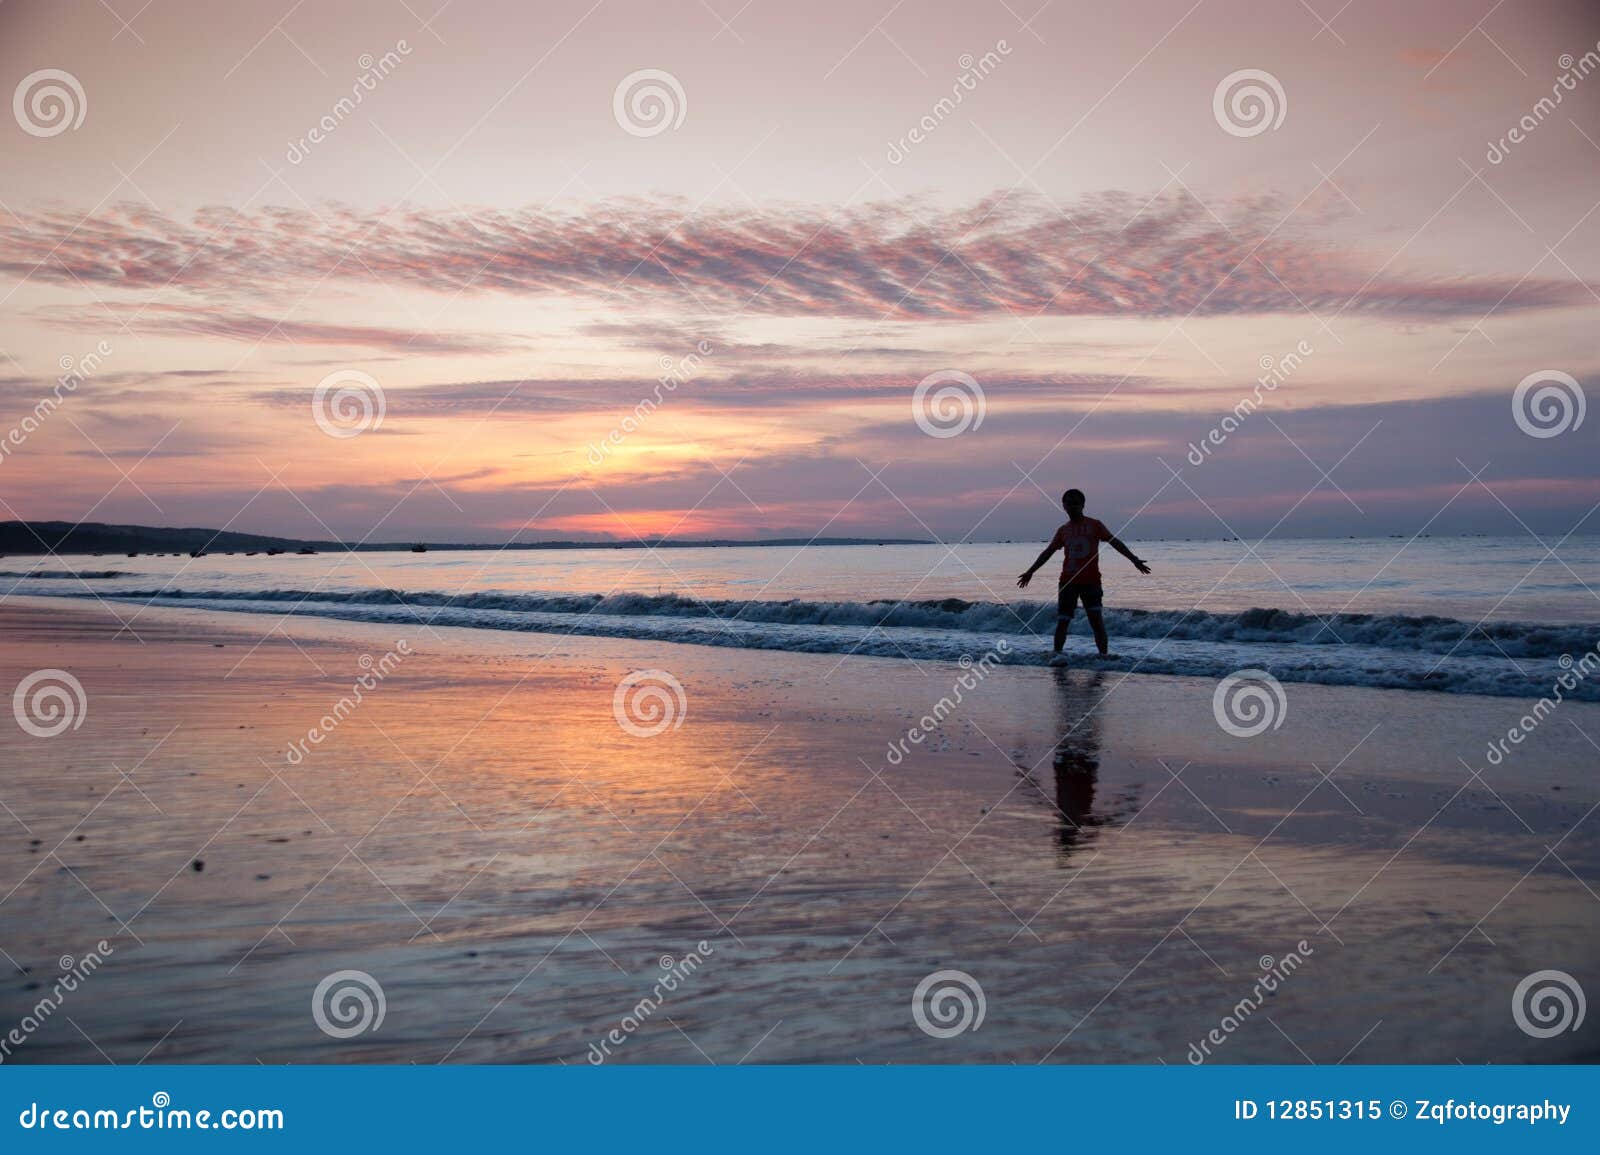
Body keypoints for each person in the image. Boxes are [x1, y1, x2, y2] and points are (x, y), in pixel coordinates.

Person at [1016, 488, 1151, 664]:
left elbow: (1114, 542)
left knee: (1096, 621)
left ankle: (1104, 658)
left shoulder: (1095, 525)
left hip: (1091, 581)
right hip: (1067, 582)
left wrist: (1134, 559)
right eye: (1069, 503)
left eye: (1076, 503)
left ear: (1083, 505)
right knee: (1063, 621)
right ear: (1063, 506)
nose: (1072, 506)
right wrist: (1030, 571)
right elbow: (1048, 552)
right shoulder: (1063, 530)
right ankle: (1057, 657)